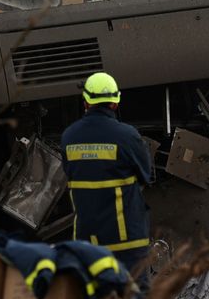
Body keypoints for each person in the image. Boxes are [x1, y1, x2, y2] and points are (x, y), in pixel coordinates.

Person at [60, 72, 153, 275]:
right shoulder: (127, 136)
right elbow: (147, 175)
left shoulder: (69, 137)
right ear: (115, 103)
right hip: (126, 242)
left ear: (85, 102)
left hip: (88, 243)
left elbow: (71, 175)